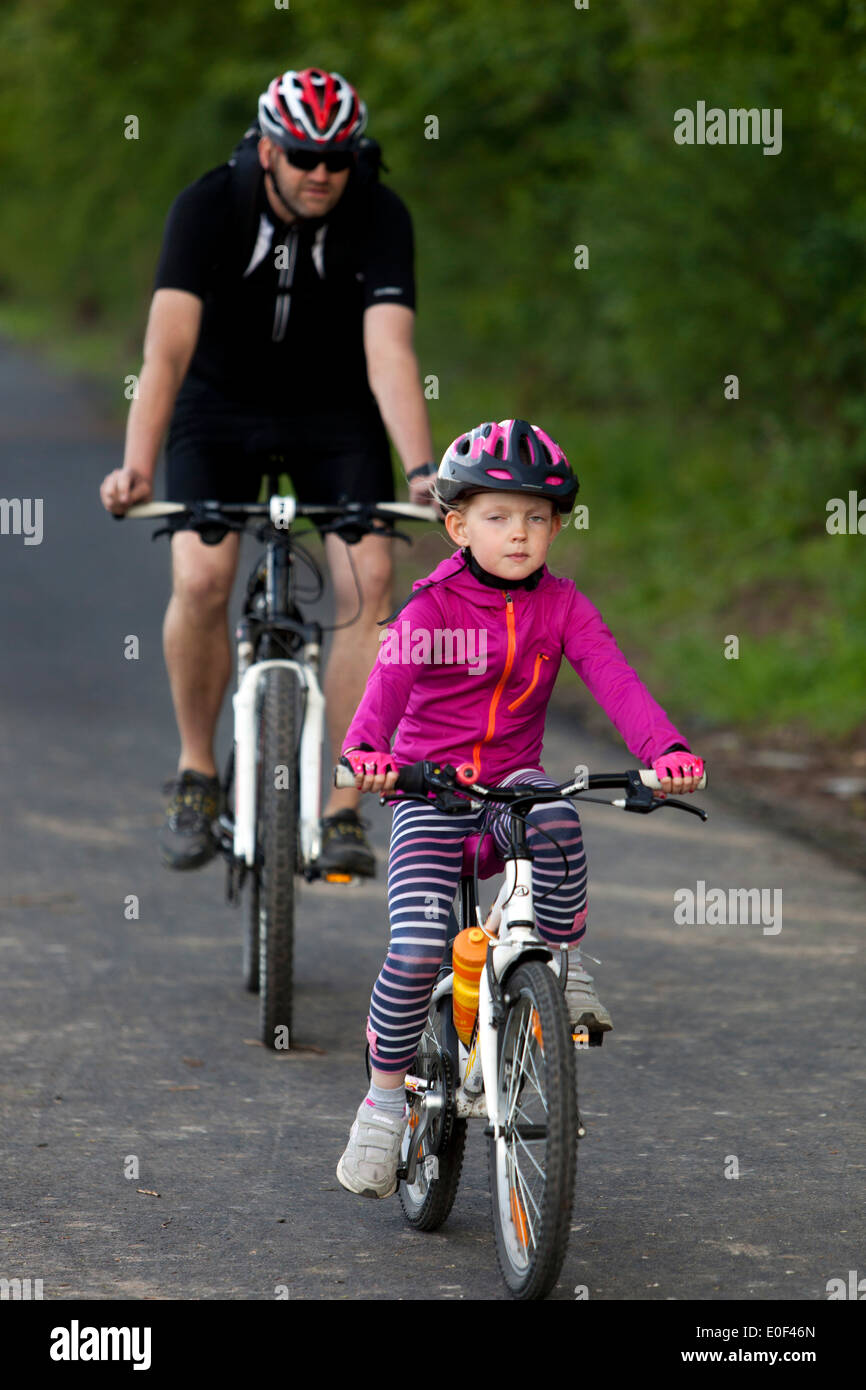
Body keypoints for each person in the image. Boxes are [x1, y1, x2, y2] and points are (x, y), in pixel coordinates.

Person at [334, 418, 706, 1198]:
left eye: (537, 518)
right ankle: (378, 1104)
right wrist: (368, 751)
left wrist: (664, 752)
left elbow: (617, 680)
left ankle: (560, 971)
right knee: (414, 951)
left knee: (559, 812)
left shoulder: (564, 608)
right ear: (457, 525)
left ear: (558, 527)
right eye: (498, 517)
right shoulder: (432, 610)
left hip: (511, 789)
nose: (520, 533)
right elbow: (388, 684)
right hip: (432, 795)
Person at [99, 67, 436, 876]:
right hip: (219, 409)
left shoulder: (381, 215)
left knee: (372, 576)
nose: (320, 172)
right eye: (302, 155)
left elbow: (389, 352)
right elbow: (167, 350)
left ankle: (346, 802)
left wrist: (424, 468)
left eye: (338, 157)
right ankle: (196, 772)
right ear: (266, 147)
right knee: (204, 575)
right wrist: (136, 466)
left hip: (334, 415)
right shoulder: (207, 206)